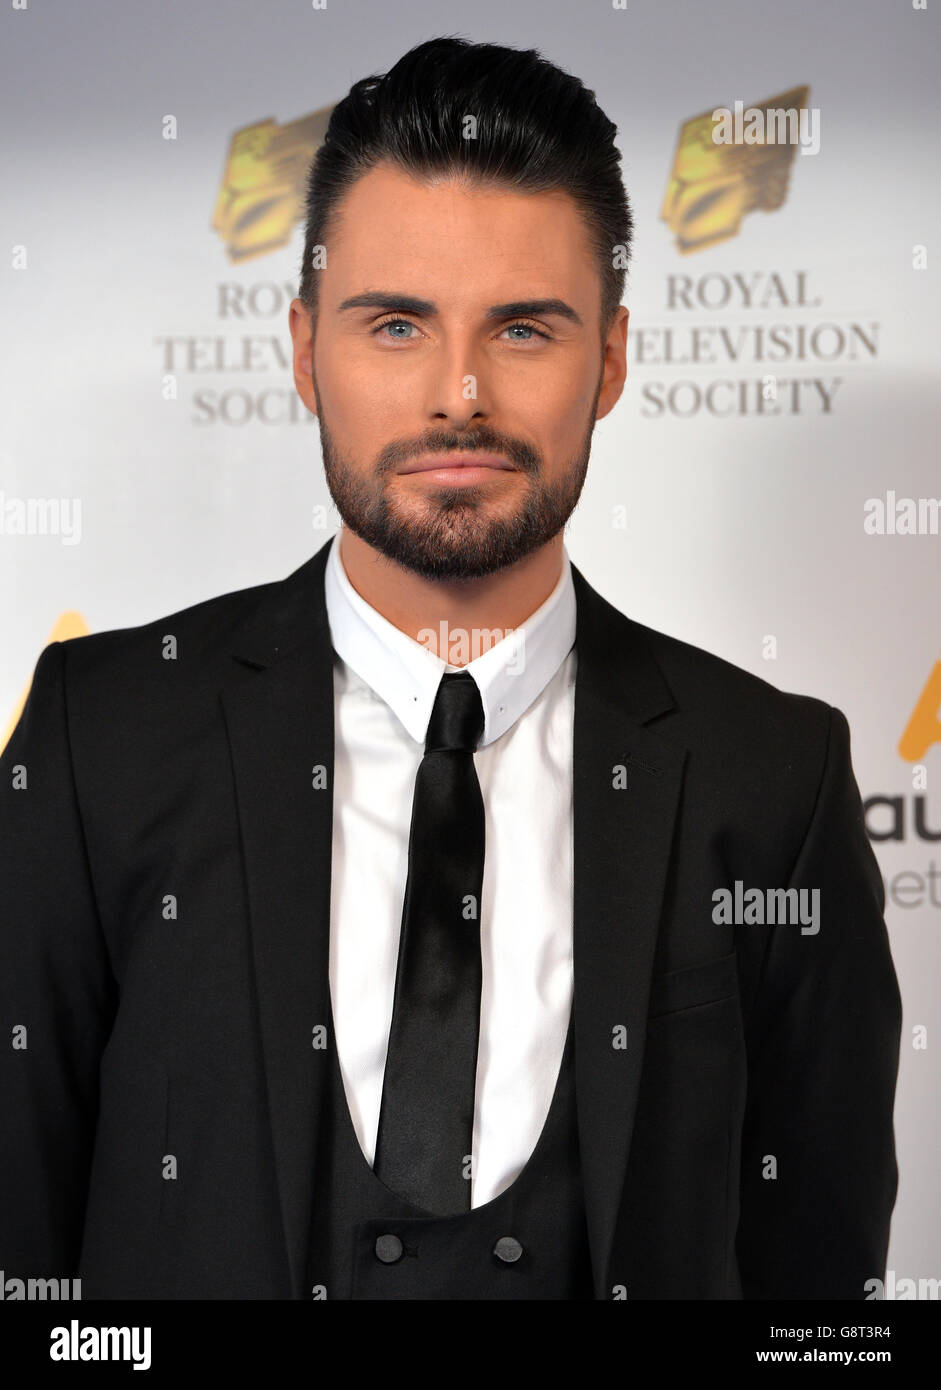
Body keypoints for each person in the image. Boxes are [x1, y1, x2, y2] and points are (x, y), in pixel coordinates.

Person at [0, 36, 900, 1300]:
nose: (458, 394)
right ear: (306, 350)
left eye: (524, 327)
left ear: (613, 360)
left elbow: (814, 1289)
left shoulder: (772, 777)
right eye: (397, 323)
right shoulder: (100, 740)